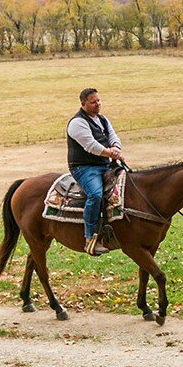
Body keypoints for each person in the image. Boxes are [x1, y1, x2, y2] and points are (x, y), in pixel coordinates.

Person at [66, 87, 125, 255]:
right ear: (83, 104)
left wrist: (116, 147)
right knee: (95, 195)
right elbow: (91, 146)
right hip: (84, 168)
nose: (98, 104)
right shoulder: (77, 123)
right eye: (93, 102)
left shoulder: (103, 120)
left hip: (104, 165)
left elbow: (113, 136)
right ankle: (90, 238)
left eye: (99, 100)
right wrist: (111, 153)